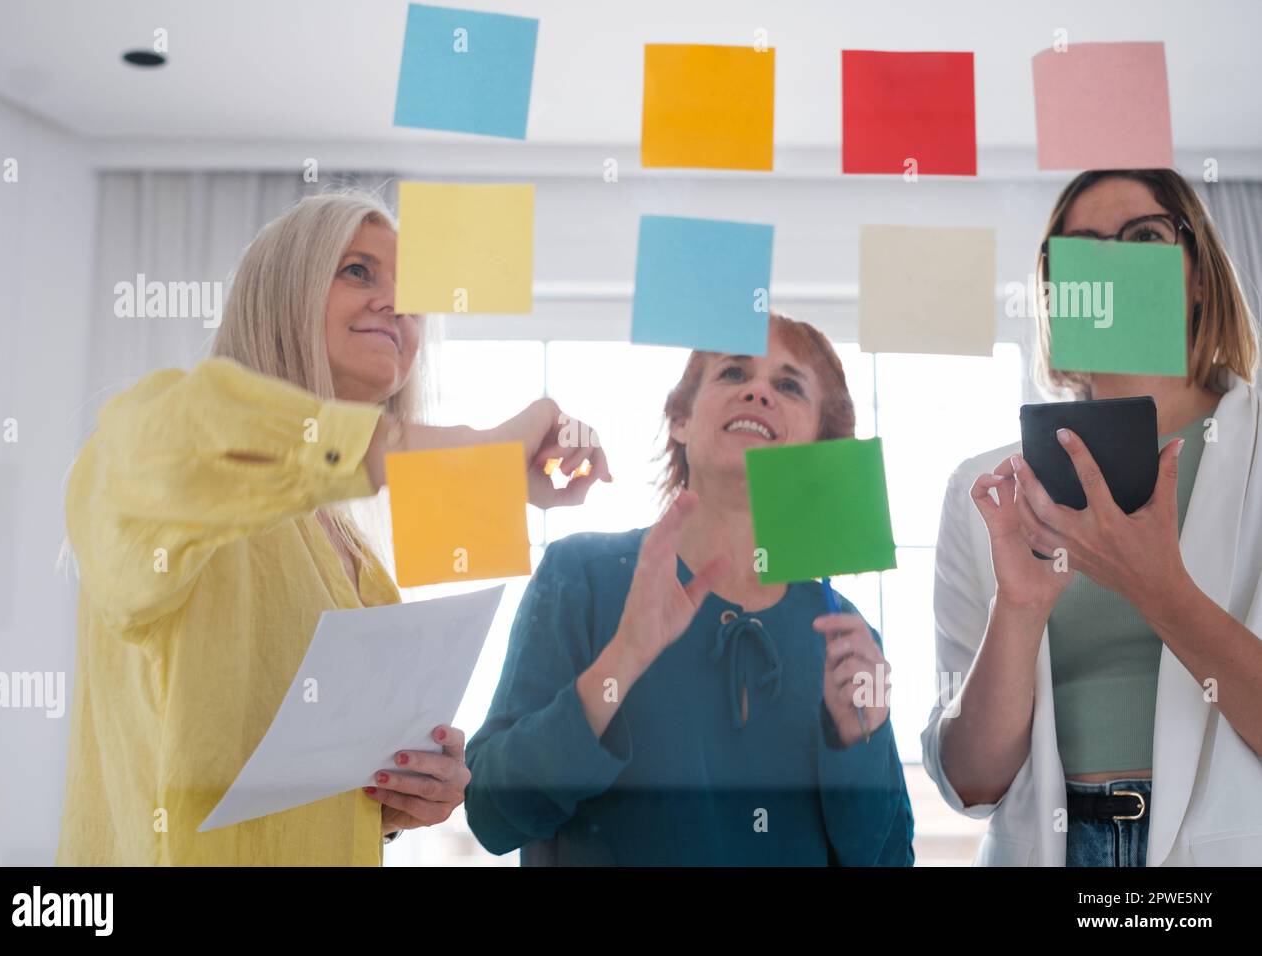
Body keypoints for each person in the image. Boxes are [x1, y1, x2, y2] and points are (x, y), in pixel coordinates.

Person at [55, 191, 609, 865]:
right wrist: (475, 451)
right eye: (359, 271)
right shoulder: (163, 448)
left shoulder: (362, 569)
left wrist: (406, 796)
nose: (395, 304)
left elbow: (302, 783)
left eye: (412, 293)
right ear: (282, 293)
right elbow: (207, 423)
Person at [464, 313, 914, 865]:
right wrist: (623, 659)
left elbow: (887, 858)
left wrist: (854, 744)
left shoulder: (846, 635)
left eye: (789, 385)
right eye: (732, 374)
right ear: (680, 419)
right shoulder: (579, 573)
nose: (758, 391)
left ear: (822, 447)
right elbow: (491, 814)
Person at [925, 168, 1262, 866]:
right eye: (1083, 248)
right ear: (1055, 289)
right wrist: (1017, 609)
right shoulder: (982, 490)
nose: (1115, 266)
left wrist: (1158, 590)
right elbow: (972, 780)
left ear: (1200, 276)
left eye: (1145, 238)